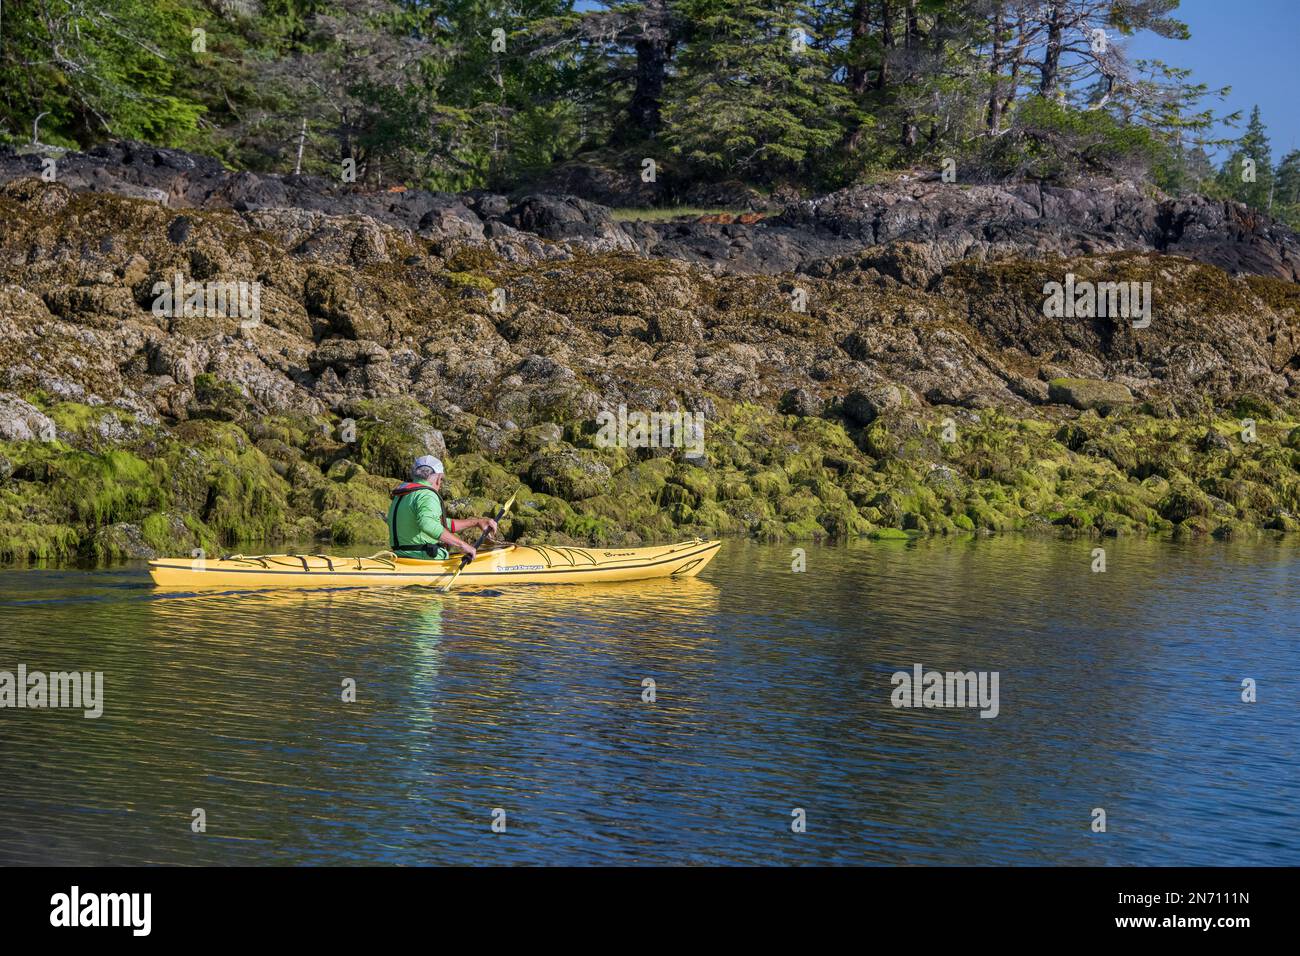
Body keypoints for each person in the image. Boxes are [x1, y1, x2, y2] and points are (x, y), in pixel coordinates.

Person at [387, 455, 498, 561]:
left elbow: (439, 524)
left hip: (400, 556)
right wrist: (462, 545)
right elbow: (428, 524)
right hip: (424, 558)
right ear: (438, 478)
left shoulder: (404, 494)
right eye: (442, 480)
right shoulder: (427, 495)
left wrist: (476, 522)